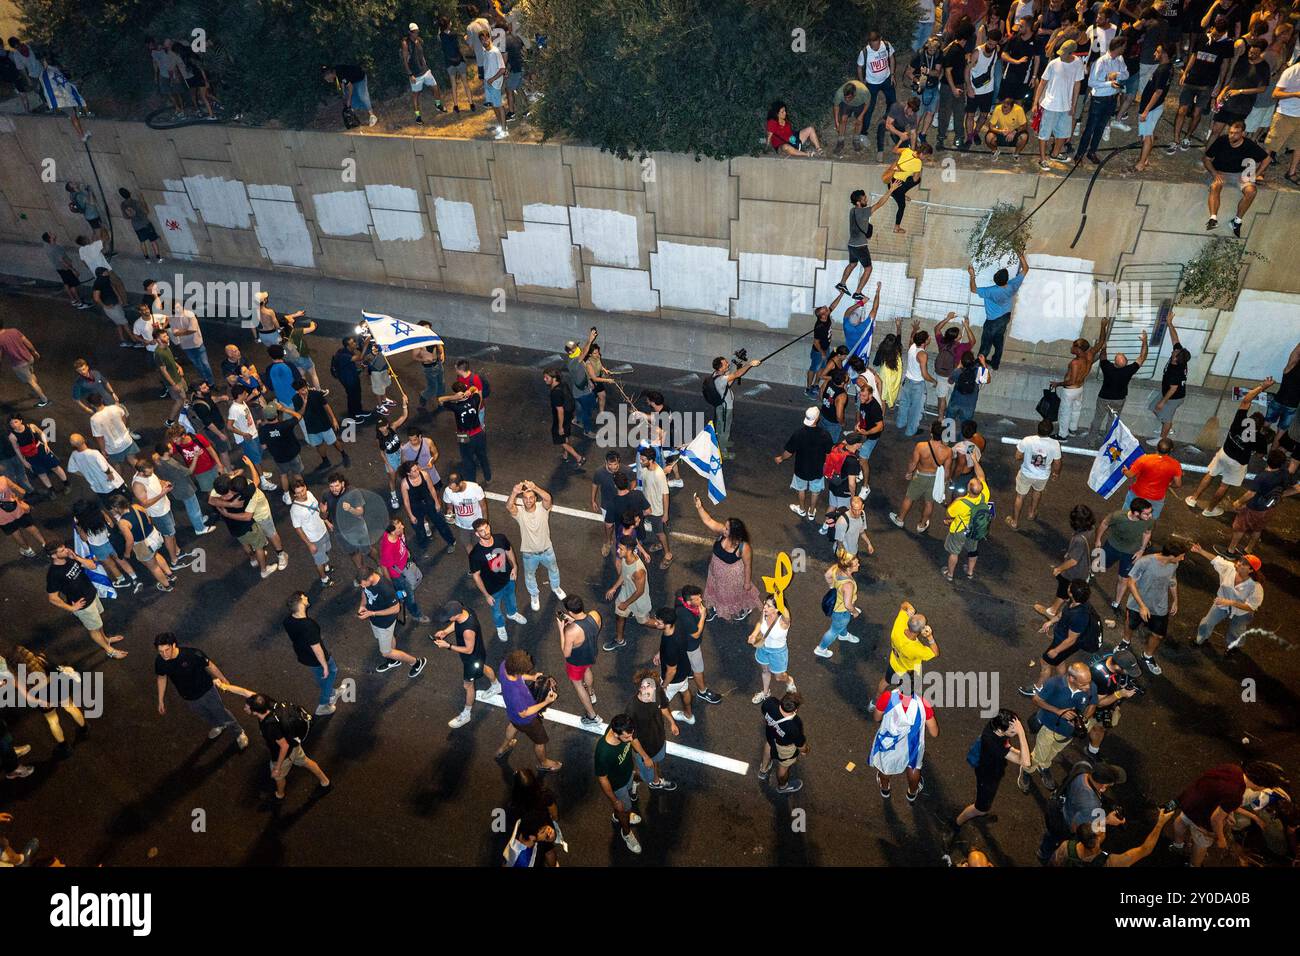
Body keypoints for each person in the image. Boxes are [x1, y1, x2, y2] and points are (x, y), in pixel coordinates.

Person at [1171, 761, 1290, 866]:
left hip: (1191, 801)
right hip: (1202, 816)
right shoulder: (1236, 795)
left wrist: (1228, 813)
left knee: (1181, 821)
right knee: (1202, 843)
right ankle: (1193, 864)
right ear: (1259, 785)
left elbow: (1219, 793)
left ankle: (1177, 846)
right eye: (1264, 788)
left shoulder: (1233, 768)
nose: (1263, 790)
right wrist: (1221, 838)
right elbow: (1215, 819)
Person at [1184, 378, 1274, 515]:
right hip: (1238, 463)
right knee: (1224, 485)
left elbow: (1246, 400)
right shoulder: (1260, 439)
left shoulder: (1240, 420)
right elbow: (1260, 455)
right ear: (1260, 427)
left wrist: (1262, 386)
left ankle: (1193, 498)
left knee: (1210, 474)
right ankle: (1209, 510)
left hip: (1224, 453)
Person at [153, 633, 249, 749]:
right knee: (203, 714)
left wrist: (223, 679)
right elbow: (161, 677)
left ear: (173, 645)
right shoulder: (160, 661)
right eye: (160, 651)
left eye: (166, 650)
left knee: (220, 712)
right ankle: (218, 725)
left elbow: (209, 665)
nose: (164, 654)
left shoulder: (192, 654)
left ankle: (238, 732)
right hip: (188, 697)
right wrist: (160, 700)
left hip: (207, 692)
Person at [1018, 662, 1097, 792]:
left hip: (1068, 732)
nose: (1088, 686)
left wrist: (1083, 719)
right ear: (1071, 678)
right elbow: (1036, 700)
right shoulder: (1054, 683)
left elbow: (1092, 704)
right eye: (1083, 684)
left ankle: (1043, 767)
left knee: (1054, 751)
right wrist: (1058, 711)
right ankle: (1026, 769)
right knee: (1039, 755)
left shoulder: (1091, 687)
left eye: (1089, 682)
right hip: (1048, 727)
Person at [45, 538, 127, 659]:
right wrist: (71, 608)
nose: (67, 550)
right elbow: (52, 598)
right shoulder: (54, 574)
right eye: (62, 550)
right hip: (83, 606)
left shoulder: (71, 558)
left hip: (92, 595)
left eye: (65, 547)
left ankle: (105, 639)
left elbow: (92, 566)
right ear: (53, 556)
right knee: (93, 629)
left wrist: (77, 558)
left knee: (98, 623)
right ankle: (109, 650)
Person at [1170, 17, 1236, 154]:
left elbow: (1225, 65)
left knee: (1197, 113)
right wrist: (1185, 72)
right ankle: (1176, 140)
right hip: (1192, 80)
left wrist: (1220, 85)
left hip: (1208, 84)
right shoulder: (1202, 37)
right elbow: (1194, 55)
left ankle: (1187, 137)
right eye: (1215, 33)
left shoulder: (1227, 44)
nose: (1216, 36)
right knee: (1182, 110)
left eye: (1219, 34)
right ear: (1212, 28)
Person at [1022, 580, 1100, 696]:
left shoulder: (1080, 616)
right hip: (1062, 638)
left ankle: (1038, 689)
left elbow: (1071, 639)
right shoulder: (1076, 602)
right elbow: (1063, 613)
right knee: (1060, 661)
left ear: (1071, 593)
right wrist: (1051, 621)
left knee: (1045, 662)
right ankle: (1063, 683)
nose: (1068, 587)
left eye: (1070, 587)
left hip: (1064, 642)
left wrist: (1056, 650)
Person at [956, 710, 1031, 828]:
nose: (1016, 732)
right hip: (987, 778)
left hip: (992, 770)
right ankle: (956, 825)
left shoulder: (996, 727)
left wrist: (1019, 752)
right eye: (1013, 731)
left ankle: (981, 813)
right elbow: (1026, 763)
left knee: (985, 804)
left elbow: (1008, 748)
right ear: (1001, 730)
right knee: (979, 808)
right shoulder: (993, 743)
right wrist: (1022, 733)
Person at [432, 600, 500, 730]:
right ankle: (496, 685)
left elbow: (468, 649)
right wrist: (445, 632)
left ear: (456, 615)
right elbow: (456, 624)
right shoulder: (465, 610)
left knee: (467, 685)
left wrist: (448, 646)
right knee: (483, 667)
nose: (448, 619)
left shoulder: (468, 630)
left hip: (471, 658)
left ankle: (466, 713)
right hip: (478, 653)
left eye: (449, 618)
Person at [693, 496, 762, 625]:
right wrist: (699, 507)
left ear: (734, 532)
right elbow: (708, 520)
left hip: (732, 577)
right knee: (714, 589)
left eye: (727, 528)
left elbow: (747, 566)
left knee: (732, 595)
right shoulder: (723, 533)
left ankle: (742, 608)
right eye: (725, 527)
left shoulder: (743, 547)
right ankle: (714, 606)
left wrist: (747, 583)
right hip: (715, 570)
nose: (723, 529)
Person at [1186, 543, 1263, 653]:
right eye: (1240, 561)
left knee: (1236, 632)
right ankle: (1200, 640)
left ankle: (1233, 647)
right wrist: (1201, 551)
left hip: (1241, 611)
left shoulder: (1255, 587)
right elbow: (1216, 560)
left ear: (1251, 570)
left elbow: (1251, 607)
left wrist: (1230, 602)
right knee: (1207, 622)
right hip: (1222, 603)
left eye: (1244, 564)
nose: (1239, 563)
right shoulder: (1229, 568)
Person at [870, 682, 938, 802]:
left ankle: (885, 789)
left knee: (885, 766)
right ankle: (912, 793)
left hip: (890, 742)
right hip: (913, 744)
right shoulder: (922, 703)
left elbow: (876, 717)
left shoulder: (887, 697)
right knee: (914, 767)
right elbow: (934, 733)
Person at [495, 649, 562, 771]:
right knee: (540, 741)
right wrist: (546, 702)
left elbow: (519, 676)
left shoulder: (504, 666)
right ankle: (544, 763)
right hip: (527, 721)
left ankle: (502, 748)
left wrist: (532, 677)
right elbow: (524, 713)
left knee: (513, 725)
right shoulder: (516, 692)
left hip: (512, 713)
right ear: (518, 671)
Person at [596, 714, 654, 854]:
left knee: (625, 807)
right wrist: (615, 801)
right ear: (616, 734)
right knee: (624, 809)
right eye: (627, 737)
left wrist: (644, 756)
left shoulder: (622, 729)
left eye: (631, 735)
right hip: (618, 785)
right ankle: (627, 833)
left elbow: (633, 739)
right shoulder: (603, 752)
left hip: (627, 774)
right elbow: (602, 778)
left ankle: (618, 816)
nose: (630, 739)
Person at [357, 562, 427, 677]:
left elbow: (396, 609)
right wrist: (362, 606)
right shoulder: (367, 582)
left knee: (386, 652)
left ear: (370, 577)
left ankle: (416, 662)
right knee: (387, 639)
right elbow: (365, 593)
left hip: (384, 623)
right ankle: (394, 660)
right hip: (375, 620)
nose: (363, 586)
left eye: (364, 584)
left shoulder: (385, 587)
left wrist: (373, 613)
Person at [1203, 119, 1270, 235]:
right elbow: (1207, 159)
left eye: (1235, 133)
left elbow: (1267, 159)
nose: (1231, 135)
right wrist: (1214, 173)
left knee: (1252, 191)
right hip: (1220, 172)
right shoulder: (1222, 140)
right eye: (1230, 132)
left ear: (1243, 133)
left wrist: (1255, 175)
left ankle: (1237, 221)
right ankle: (1213, 219)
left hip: (1240, 175)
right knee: (1216, 185)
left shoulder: (1248, 145)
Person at [1228, 449, 1300, 554]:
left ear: (1268, 460)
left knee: (1240, 527)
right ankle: (1248, 549)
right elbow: (1297, 488)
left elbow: (1251, 494)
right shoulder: (1286, 473)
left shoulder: (1262, 477)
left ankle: (1230, 551)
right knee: (1258, 529)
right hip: (1270, 508)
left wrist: (1238, 502)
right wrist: (1281, 494)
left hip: (1254, 508)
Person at [469, 517, 526, 641]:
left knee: (511, 598)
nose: (486, 532)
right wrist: (486, 595)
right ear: (477, 534)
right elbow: (476, 575)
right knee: (496, 610)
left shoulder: (500, 538)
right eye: (482, 531)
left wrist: (515, 566)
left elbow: (509, 550)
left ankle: (512, 613)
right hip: (492, 589)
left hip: (508, 579)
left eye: (487, 528)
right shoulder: (475, 554)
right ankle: (500, 626)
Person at [890, 420, 953, 534]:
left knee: (909, 497)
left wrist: (909, 473)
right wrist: (943, 483)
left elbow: (913, 463)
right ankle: (922, 524)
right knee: (929, 503)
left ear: (931, 433)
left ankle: (900, 519)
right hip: (934, 479)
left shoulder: (921, 446)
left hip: (920, 476)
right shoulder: (948, 451)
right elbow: (947, 471)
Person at [970, 250, 1030, 368]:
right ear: (1006, 279)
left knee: (986, 342)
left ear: (995, 280)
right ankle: (996, 363)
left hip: (993, 321)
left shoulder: (990, 290)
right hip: (1005, 317)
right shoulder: (1013, 285)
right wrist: (1020, 255)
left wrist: (972, 275)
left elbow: (973, 289)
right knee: (998, 341)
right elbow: (1026, 269)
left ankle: (979, 364)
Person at [1050, 324, 1111, 439]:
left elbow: (1072, 380)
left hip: (1070, 390)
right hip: (1080, 389)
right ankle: (1073, 430)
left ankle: (1062, 435)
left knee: (1065, 412)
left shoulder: (1075, 363)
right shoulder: (1090, 354)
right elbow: (1102, 341)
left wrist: (1057, 384)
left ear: (1078, 349)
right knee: (1076, 410)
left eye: (1073, 347)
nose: (1071, 348)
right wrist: (1103, 325)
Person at [283, 591, 338, 716]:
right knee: (332, 671)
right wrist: (324, 665)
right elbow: (317, 649)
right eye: (304, 597)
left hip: (304, 655)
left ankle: (330, 692)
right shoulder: (308, 625)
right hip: (316, 658)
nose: (307, 597)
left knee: (320, 676)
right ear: (301, 602)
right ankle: (323, 705)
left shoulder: (288, 620)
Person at [1075, 36, 1130, 162]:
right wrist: (1109, 84)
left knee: (1101, 127)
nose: (1125, 48)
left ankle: (1092, 152)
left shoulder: (1119, 60)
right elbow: (1092, 82)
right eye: (1124, 46)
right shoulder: (1101, 62)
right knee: (1090, 128)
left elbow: (1126, 74)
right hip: (1099, 100)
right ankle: (1079, 154)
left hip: (1112, 99)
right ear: (1119, 47)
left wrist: (1117, 74)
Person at [1034, 40, 1087, 168]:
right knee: (1045, 132)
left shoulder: (1078, 63)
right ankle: (1042, 158)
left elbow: (1077, 84)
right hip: (1051, 104)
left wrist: (1073, 105)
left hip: (1066, 105)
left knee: (1063, 133)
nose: (1061, 55)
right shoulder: (1053, 64)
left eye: (1063, 53)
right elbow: (1042, 82)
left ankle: (1055, 153)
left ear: (1071, 53)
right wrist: (1035, 102)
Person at [775, 406, 835, 521]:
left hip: (801, 469)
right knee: (815, 492)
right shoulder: (825, 434)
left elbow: (789, 452)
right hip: (817, 469)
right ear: (817, 419)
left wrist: (781, 458)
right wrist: (826, 466)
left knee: (801, 489)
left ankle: (802, 509)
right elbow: (829, 453)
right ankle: (811, 512)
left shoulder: (799, 433)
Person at [1088, 329, 1148, 439]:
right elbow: (1142, 357)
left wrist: (1104, 347)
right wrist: (1145, 341)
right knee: (1112, 420)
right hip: (1119, 399)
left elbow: (1103, 357)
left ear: (1114, 362)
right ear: (1126, 363)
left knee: (1098, 418)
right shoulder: (1129, 370)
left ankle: (1091, 439)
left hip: (1104, 398)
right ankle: (1108, 439)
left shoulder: (1107, 367)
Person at [627, 670, 679, 792]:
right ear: (640, 689)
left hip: (658, 740)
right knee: (648, 774)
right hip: (644, 749)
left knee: (654, 763)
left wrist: (672, 722)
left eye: (651, 687)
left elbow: (664, 707)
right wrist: (645, 757)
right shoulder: (632, 709)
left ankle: (640, 775)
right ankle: (650, 782)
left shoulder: (658, 691)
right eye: (645, 688)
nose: (650, 692)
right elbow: (631, 737)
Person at [1007, 419, 1062, 530]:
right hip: (1042, 476)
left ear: (1038, 429)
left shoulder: (1027, 440)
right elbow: (1057, 462)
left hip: (1026, 474)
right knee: (1037, 492)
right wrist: (1056, 473)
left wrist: (1026, 456)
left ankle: (1014, 522)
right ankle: (1031, 513)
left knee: (1020, 496)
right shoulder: (1055, 444)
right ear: (1050, 432)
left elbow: (1017, 456)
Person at [943, 458, 991, 581]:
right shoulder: (984, 494)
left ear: (969, 489)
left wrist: (949, 518)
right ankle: (970, 572)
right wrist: (974, 460)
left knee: (954, 552)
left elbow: (948, 514)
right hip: (976, 528)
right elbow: (981, 475)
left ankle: (950, 574)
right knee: (973, 550)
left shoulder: (961, 503)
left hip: (961, 530)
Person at [707, 354, 762, 456]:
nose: (728, 364)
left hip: (720, 406)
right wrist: (749, 364)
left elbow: (728, 383)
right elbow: (737, 375)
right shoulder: (721, 379)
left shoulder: (716, 375)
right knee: (724, 430)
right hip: (725, 408)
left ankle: (717, 446)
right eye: (725, 364)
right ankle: (722, 453)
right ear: (720, 367)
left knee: (720, 428)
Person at [747, 594, 795, 704]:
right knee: (765, 670)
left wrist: (780, 595)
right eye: (765, 604)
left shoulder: (783, 621)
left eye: (769, 606)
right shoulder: (765, 614)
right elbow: (759, 623)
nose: (765, 607)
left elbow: (787, 615)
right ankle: (765, 692)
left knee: (779, 677)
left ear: (778, 609)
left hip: (777, 653)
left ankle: (789, 680)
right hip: (763, 648)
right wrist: (754, 634)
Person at [1134, 42, 1174, 171]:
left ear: (1164, 54)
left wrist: (1146, 110)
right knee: (1149, 135)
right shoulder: (1167, 67)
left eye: (1157, 51)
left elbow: (1158, 92)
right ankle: (1144, 159)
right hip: (1155, 106)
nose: (1154, 53)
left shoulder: (1162, 70)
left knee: (1147, 136)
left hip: (1151, 108)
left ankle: (1141, 163)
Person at [605, 540, 651, 651]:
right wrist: (614, 588)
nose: (617, 551)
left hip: (638, 602)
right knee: (619, 614)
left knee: (645, 622)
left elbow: (640, 592)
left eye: (621, 549)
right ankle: (619, 640)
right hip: (625, 594)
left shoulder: (638, 571)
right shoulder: (625, 559)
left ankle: (666, 626)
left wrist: (626, 604)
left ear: (629, 550)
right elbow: (624, 575)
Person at [816, 550, 862, 658]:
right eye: (856, 564)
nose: (859, 564)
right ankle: (821, 648)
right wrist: (854, 612)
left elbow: (827, 575)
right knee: (833, 631)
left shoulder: (837, 568)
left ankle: (843, 635)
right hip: (841, 611)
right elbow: (847, 605)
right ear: (848, 568)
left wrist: (832, 587)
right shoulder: (848, 585)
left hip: (836, 605)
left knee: (840, 626)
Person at [1123, 438, 1183, 519]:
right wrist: (1169, 484)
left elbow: (1130, 475)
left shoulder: (1144, 459)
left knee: (1126, 514)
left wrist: (1124, 470)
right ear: (1171, 450)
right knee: (1151, 519)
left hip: (1137, 493)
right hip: (1156, 498)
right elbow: (1178, 484)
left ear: (1156, 447)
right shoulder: (1175, 465)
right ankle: (1147, 531)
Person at [881, 141, 931, 234]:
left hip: (891, 179)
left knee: (909, 178)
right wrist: (918, 169)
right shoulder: (918, 162)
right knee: (902, 206)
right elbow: (915, 179)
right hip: (896, 186)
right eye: (927, 156)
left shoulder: (907, 150)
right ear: (923, 154)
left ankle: (899, 195)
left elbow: (894, 150)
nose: (926, 158)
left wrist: (900, 140)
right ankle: (897, 227)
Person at [401, 22, 444, 124]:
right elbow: (405, 61)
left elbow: (421, 54)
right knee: (416, 95)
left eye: (417, 32)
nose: (416, 34)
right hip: (415, 75)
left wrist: (426, 66)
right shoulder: (406, 44)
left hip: (425, 71)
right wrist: (410, 75)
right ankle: (418, 116)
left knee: (435, 87)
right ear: (410, 32)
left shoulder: (419, 41)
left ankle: (438, 105)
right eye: (414, 32)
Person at [1265, 59, 1300, 185]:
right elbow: (1275, 93)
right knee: (1272, 145)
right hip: (1285, 114)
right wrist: (1295, 94)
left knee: (1298, 146)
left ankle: (1291, 172)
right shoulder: (1292, 71)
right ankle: (1258, 172)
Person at [0, 320, 50, 407]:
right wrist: (34, 351)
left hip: (19, 365)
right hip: (29, 358)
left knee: (30, 382)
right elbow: (26, 341)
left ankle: (44, 400)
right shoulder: (14, 330)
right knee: (31, 375)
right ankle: (36, 392)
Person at [542, 368, 583, 468]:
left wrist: (560, 427)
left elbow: (560, 410)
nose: (544, 379)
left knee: (560, 440)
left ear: (554, 378)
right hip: (568, 416)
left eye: (546, 377)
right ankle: (565, 455)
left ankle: (579, 458)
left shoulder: (555, 393)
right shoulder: (563, 385)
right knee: (565, 436)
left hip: (561, 418)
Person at [40, 232, 91, 310]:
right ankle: (80, 303)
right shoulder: (55, 248)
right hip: (65, 268)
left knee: (67, 283)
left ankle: (73, 300)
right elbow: (62, 261)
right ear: (50, 238)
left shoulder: (49, 247)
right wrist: (73, 270)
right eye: (51, 234)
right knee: (73, 285)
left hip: (59, 269)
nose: (53, 233)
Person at [0, 474, 45, 559]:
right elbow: (20, 491)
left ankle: (28, 551)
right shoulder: (2, 479)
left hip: (2, 517)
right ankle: (44, 543)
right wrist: (20, 499)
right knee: (29, 525)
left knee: (15, 532)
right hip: (16, 509)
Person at [832, 79, 870, 153]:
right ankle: (840, 141)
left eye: (849, 97)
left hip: (859, 104)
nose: (847, 99)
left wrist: (861, 115)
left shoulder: (864, 91)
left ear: (854, 94)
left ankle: (856, 140)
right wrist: (836, 121)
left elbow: (867, 103)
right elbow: (836, 106)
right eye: (845, 97)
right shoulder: (839, 93)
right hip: (846, 105)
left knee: (859, 121)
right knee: (843, 119)